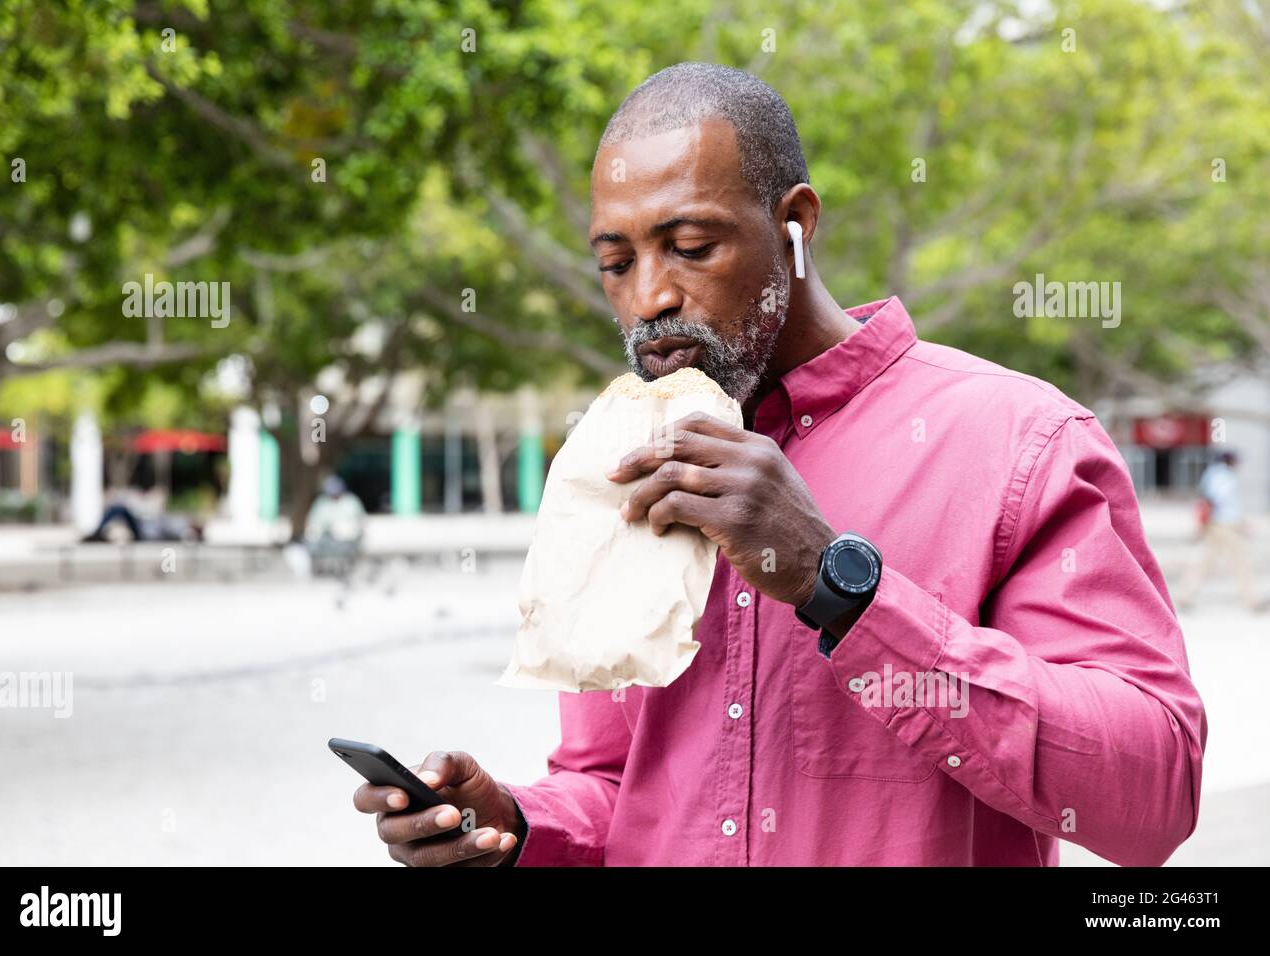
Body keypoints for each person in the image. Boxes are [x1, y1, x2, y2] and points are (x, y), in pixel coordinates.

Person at [352, 63, 1206, 866]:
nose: (648, 298)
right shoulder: (619, 464)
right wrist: (514, 824)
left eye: (690, 246)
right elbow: (616, 783)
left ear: (795, 223)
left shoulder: (1020, 440)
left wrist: (841, 587)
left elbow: (1152, 794)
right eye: (616, 263)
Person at [1178, 450, 1262, 612]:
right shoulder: (1223, 476)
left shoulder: (1212, 474)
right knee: (1240, 562)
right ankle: (1252, 600)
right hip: (1225, 525)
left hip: (1218, 524)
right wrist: (1201, 526)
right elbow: (1214, 501)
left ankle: (1185, 595)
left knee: (1205, 562)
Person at [305, 475, 366, 575]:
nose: (334, 495)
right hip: (326, 538)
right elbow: (314, 522)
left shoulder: (351, 502)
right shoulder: (322, 503)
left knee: (346, 532)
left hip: (346, 539)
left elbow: (360, 522)